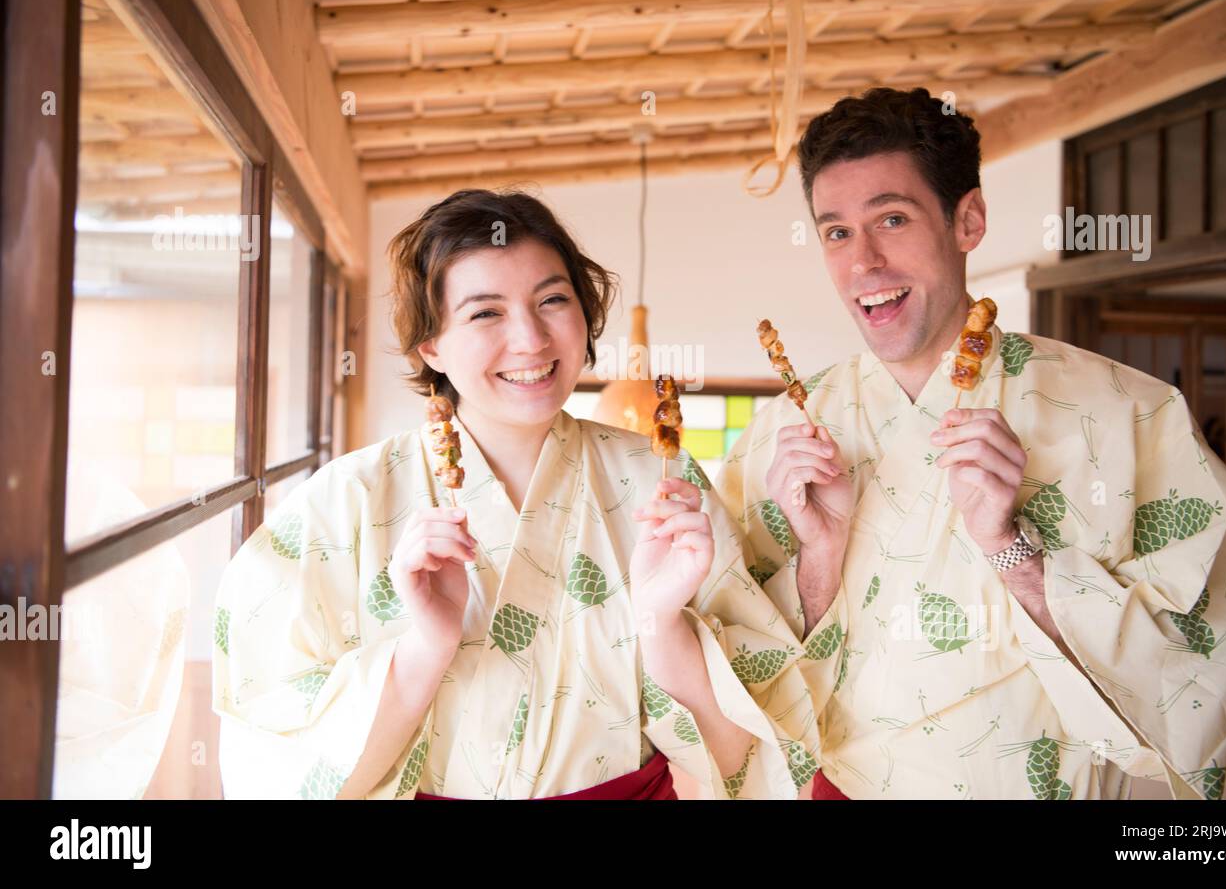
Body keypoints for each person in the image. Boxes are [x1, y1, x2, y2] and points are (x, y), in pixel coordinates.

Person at [716, 88, 1226, 800]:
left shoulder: (1128, 414)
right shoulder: (780, 437)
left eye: (892, 218)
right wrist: (819, 558)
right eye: (836, 232)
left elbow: (1195, 674)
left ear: (967, 219)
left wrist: (1012, 548)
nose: (863, 263)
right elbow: (735, 679)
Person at [211, 189, 824, 799]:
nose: (531, 339)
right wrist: (426, 647)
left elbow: (745, 751)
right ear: (431, 345)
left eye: (553, 300)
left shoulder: (659, 481)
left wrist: (660, 624)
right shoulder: (346, 503)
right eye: (485, 313)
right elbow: (286, 769)